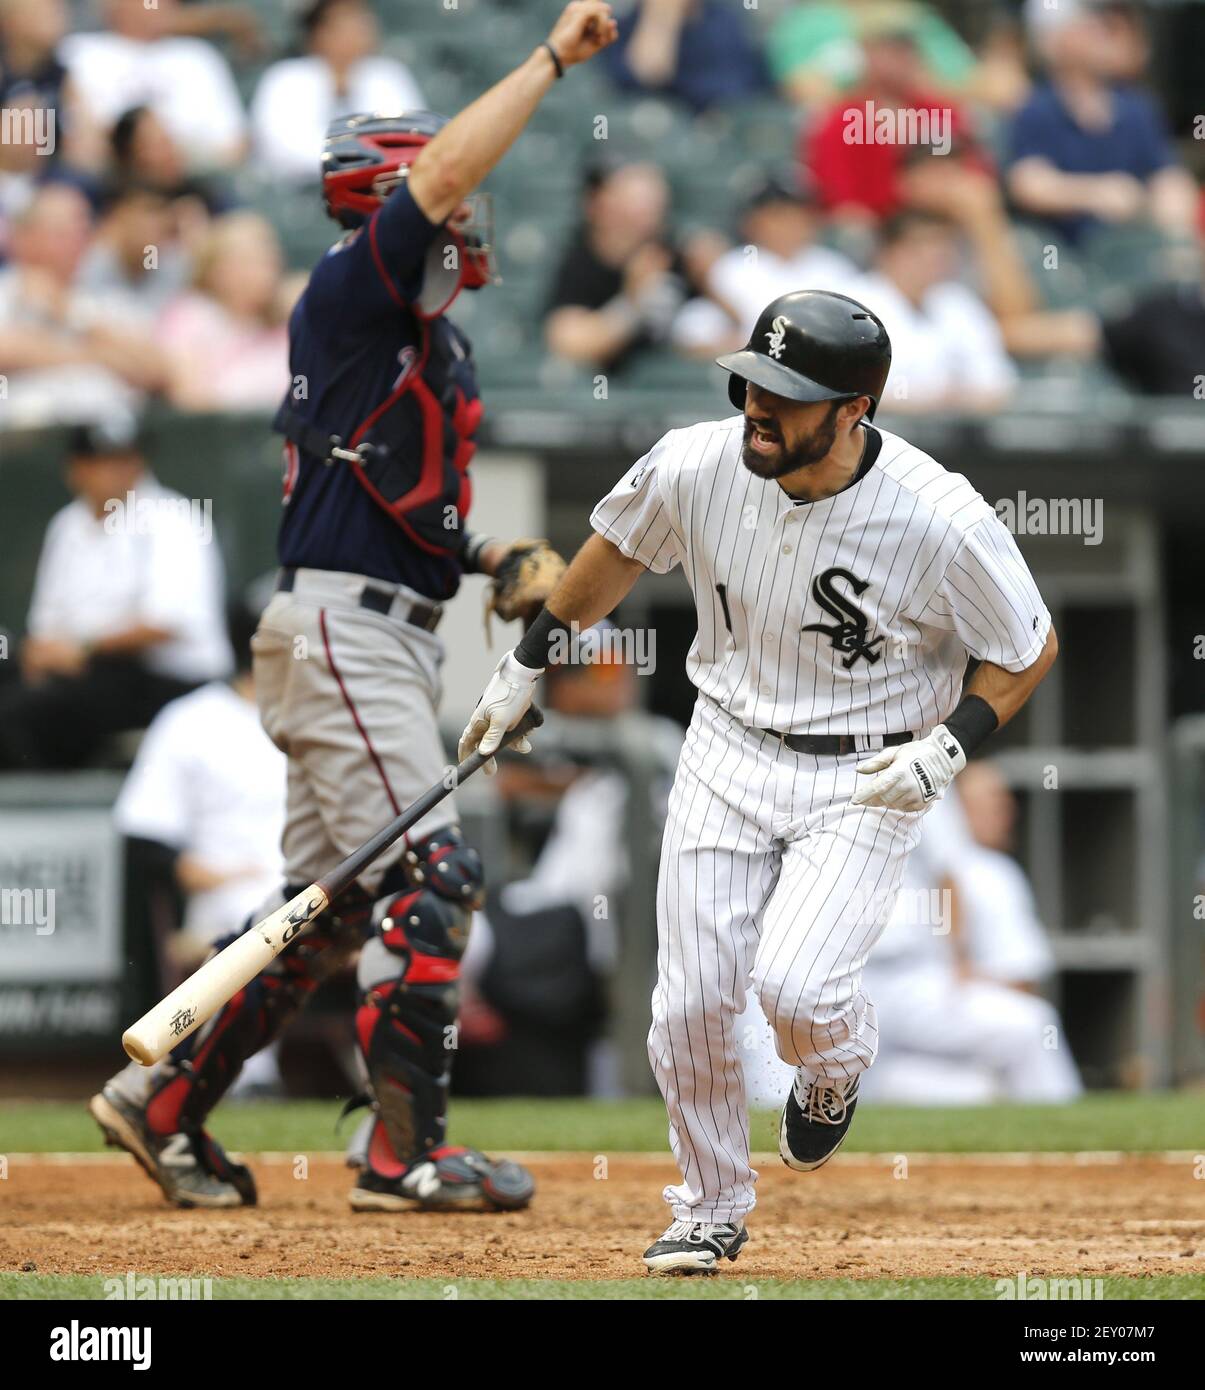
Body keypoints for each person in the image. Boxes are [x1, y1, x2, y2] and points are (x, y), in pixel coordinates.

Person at [90, 1, 620, 1216]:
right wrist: (548, 59)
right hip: (342, 633)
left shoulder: (429, 347)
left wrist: (488, 554)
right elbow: (439, 176)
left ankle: (162, 1102)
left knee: (326, 914)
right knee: (434, 872)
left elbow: (385, 501)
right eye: (448, 199)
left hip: (371, 628)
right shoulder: (349, 290)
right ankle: (400, 1155)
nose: (468, 216)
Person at [460, 287, 1058, 1273]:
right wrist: (527, 664)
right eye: (750, 384)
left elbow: (1025, 648)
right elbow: (615, 550)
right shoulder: (696, 462)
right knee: (688, 1004)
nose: (757, 409)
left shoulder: (936, 515)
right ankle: (708, 1205)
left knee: (796, 991)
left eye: (785, 395)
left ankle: (834, 1063)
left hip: (866, 769)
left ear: (853, 409)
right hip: (725, 744)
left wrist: (947, 747)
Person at [0, 414, 233, 770]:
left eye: (127, 459)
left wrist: (83, 647)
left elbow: (166, 623)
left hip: (168, 681)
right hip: (89, 671)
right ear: (75, 469)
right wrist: (41, 654)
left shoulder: (173, 517)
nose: (119, 472)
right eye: (103, 461)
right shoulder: (66, 525)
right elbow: (46, 624)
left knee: (31, 711)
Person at [1007, 0, 1197, 247]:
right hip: (1069, 253)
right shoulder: (1037, 108)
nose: (1101, 31)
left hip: (1136, 245)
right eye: (1088, 24)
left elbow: (1168, 175)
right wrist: (1096, 193)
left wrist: (1173, 216)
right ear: (1052, 41)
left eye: (1102, 24)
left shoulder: (1136, 108)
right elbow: (1028, 184)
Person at [0, 182, 165, 426]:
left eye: (84, 232)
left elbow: (156, 370)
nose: (78, 243)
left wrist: (73, 315)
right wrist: (105, 359)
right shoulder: (6, 292)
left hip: (108, 435)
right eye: (62, 234)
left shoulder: (104, 302)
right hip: (22, 437)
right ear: (23, 238)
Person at [673, 171, 859, 358]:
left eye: (795, 213)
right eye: (776, 215)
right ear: (752, 221)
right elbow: (692, 330)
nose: (787, 224)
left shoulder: (834, 267)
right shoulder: (732, 265)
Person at [850, 209, 1018, 413]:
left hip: (962, 427)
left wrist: (952, 401)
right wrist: (932, 400)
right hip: (878, 427)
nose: (933, 258)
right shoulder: (853, 304)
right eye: (919, 249)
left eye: (942, 249)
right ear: (888, 252)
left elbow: (997, 379)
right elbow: (852, 391)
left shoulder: (959, 302)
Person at [60, 0, 247, 172]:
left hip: (194, 178)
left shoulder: (199, 56)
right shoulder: (77, 52)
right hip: (109, 180)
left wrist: (171, 156)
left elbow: (235, 145)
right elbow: (74, 140)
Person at [251, 0, 425, 183]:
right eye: (346, 20)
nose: (359, 27)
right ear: (318, 31)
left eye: (361, 18)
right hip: (301, 187)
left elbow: (412, 139)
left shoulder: (389, 74)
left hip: (379, 186)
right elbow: (282, 149)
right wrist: (358, 160)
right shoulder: (285, 77)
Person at [155, 212, 296, 411]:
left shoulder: (286, 318)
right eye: (247, 262)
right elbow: (190, 398)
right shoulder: (192, 315)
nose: (263, 272)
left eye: (268, 261)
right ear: (215, 269)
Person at [601, 0, 768, 114]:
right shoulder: (616, 30)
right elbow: (645, 76)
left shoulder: (724, 21)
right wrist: (660, 24)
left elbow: (739, 91)